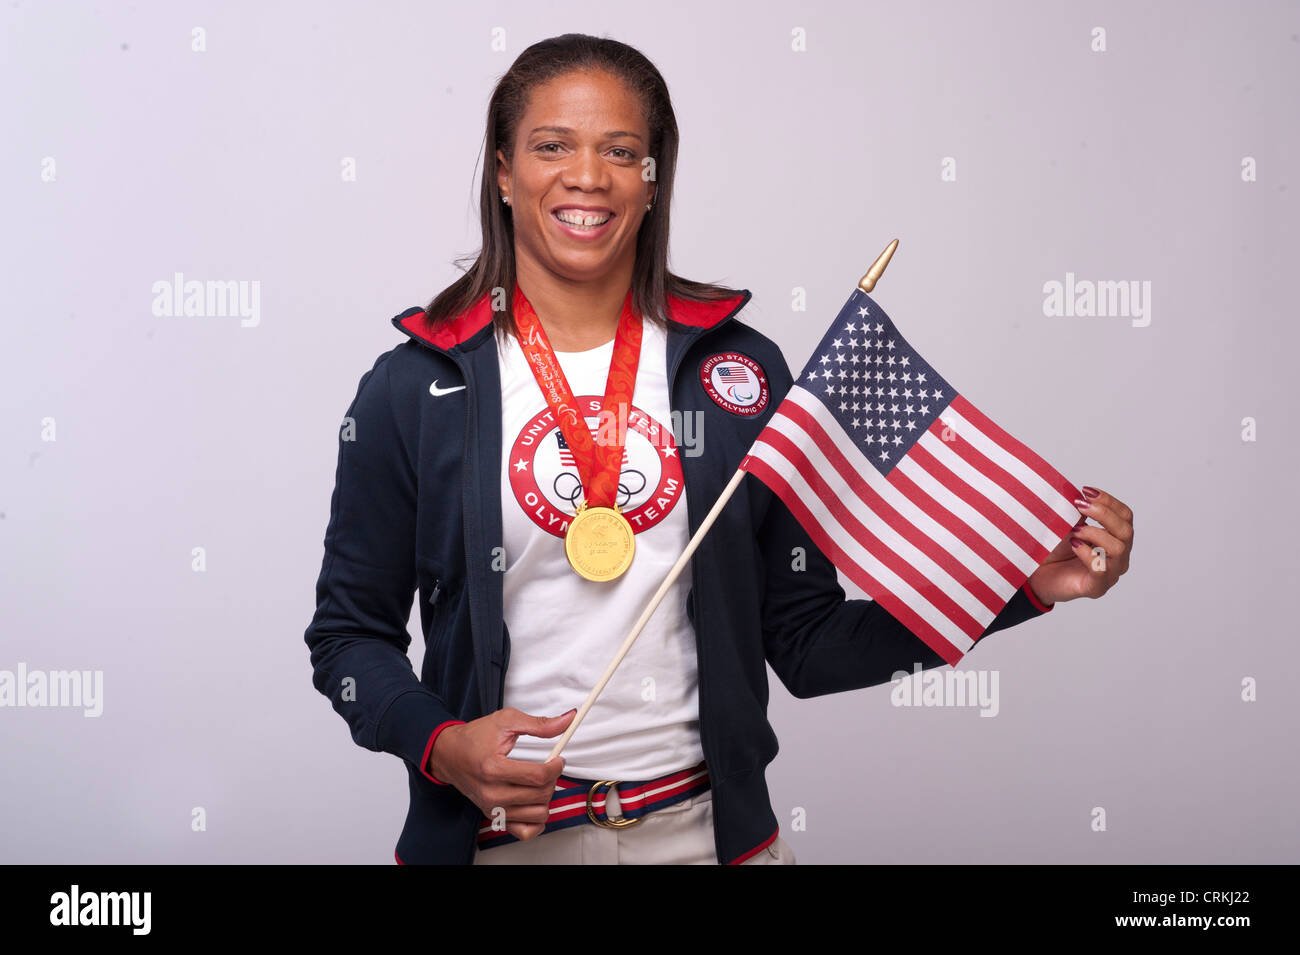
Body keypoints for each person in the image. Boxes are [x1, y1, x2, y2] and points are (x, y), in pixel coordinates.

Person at [302, 34, 1134, 866]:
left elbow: (804, 641)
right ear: (503, 170)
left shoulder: (740, 370)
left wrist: (1016, 585)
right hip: (496, 848)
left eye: (622, 152)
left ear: (654, 179)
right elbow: (346, 638)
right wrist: (441, 742)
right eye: (552, 145)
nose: (587, 176)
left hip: (708, 840)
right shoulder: (414, 388)